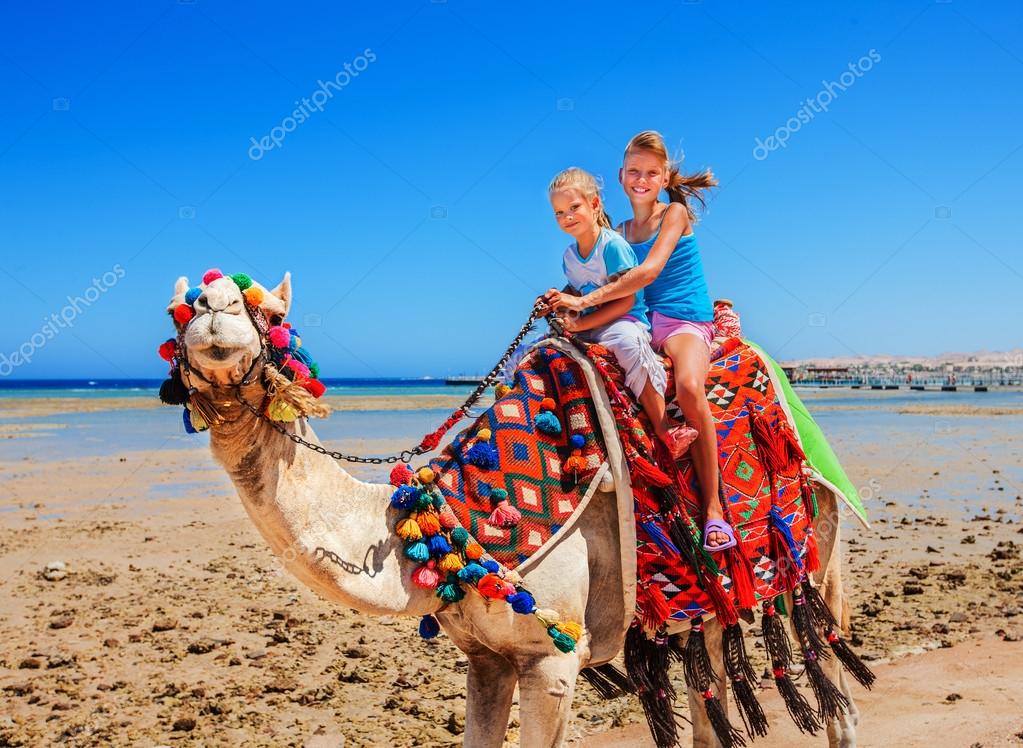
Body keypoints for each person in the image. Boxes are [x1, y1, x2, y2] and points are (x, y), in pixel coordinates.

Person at [544, 133, 732, 552]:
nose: (641, 179)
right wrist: (562, 301)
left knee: (687, 386)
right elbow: (598, 274)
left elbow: (646, 272)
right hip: (643, 319)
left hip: (682, 320)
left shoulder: (675, 214)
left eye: (650, 172)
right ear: (621, 177)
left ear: (663, 177)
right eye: (633, 172)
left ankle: (714, 507)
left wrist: (586, 301)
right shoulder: (619, 232)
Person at [546, 166, 692, 456]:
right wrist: (558, 302)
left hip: (624, 319)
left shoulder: (612, 247)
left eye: (573, 207)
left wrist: (580, 323)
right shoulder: (569, 257)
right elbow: (578, 291)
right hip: (592, 320)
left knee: (628, 344)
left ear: (595, 204)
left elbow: (626, 300)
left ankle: (664, 429)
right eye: (559, 213)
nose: (567, 217)